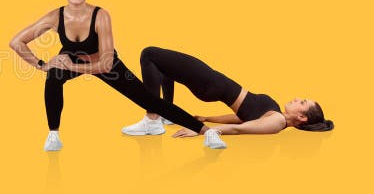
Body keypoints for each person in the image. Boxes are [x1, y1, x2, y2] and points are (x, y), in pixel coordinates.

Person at [9, 0, 226, 151]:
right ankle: (53, 134)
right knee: (53, 76)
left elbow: (105, 63)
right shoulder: (54, 17)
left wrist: (72, 65)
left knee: (150, 101)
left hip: (104, 62)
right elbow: (16, 42)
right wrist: (42, 65)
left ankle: (207, 133)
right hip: (73, 60)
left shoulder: (101, 15)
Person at [121, 46, 334, 143]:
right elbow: (242, 116)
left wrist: (202, 130)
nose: (297, 98)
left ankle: (152, 119)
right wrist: (206, 118)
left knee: (149, 55)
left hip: (210, 83)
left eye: (302, 102)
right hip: (212, 83)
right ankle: (166, 114)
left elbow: (240, 129)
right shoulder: (274, 113)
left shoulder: (277, 121)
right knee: (165, 68)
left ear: (302, 117)